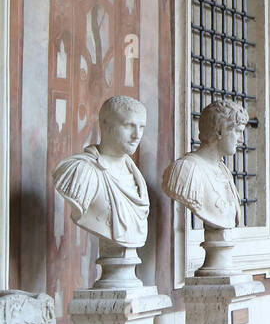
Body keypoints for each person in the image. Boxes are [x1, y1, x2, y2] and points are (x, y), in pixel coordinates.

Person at [53, 95, 150, 247]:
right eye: (128, 125)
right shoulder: (81, 172)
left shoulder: (137, 178)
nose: (137, 135)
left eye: (141, 127)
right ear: (105, 125)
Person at [162, 98, 247, 228]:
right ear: (219, 130)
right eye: (237, 131)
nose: (241, 140)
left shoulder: (224, 171)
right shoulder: (186, 169)